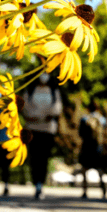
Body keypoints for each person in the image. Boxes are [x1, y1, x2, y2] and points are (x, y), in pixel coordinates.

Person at [21, 71, 63, 200]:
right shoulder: (30, 90)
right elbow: (24, 106)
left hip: (48, 130)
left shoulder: (54, 91)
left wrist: (48, 115)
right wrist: (31, 116)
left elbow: (57, 107)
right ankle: (36, 184)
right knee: (34, 158)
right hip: (32, 128)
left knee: (44, 158)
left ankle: (40, 184)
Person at [78, 103, 107, 199]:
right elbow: (105, 130)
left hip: (86, 147)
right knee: (100, 170)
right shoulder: (102, 119)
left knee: (84, 170)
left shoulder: (84, 119)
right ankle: (103, 190)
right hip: (97, 147)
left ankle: (85, 191)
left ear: (88, 109)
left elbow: (80, 133)